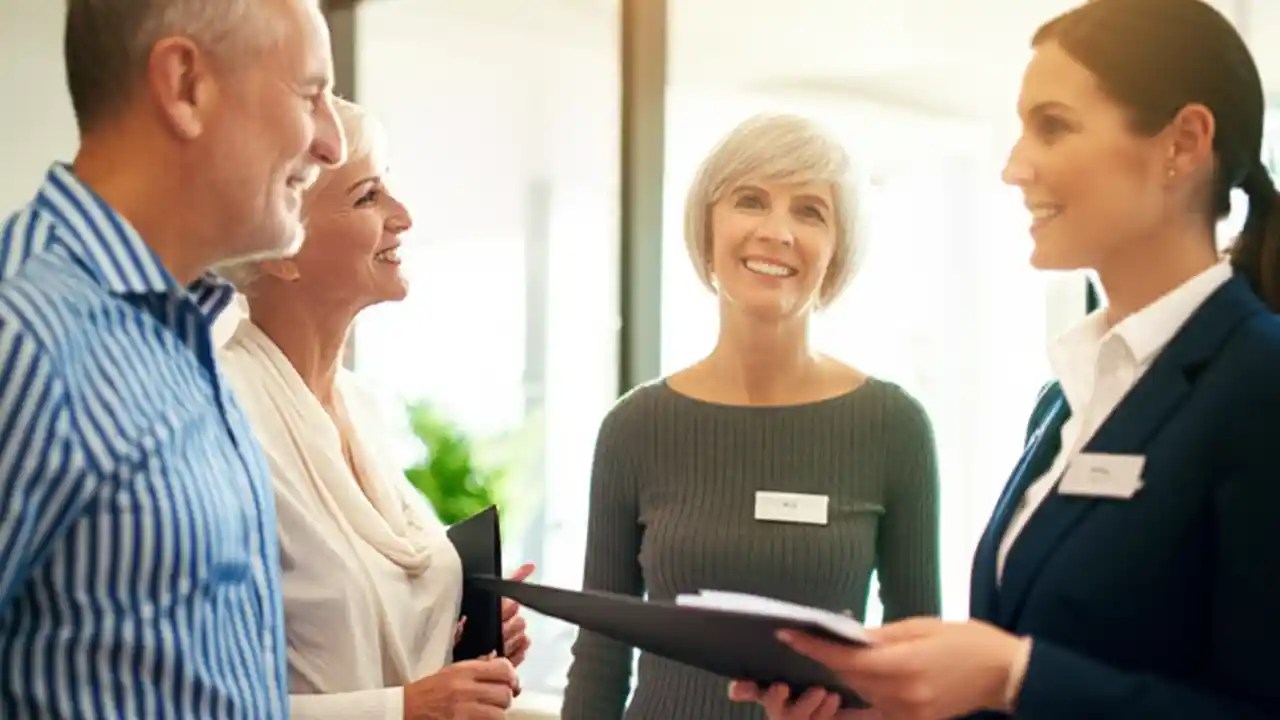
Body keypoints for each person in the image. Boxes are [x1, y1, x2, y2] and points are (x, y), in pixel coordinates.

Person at [730, 0, 1280, 718]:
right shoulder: (1064, 401)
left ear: (1183, 142)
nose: (1014, 167)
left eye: (1052, 126)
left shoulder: (1259, 380)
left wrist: (1012, 674)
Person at [0, 0, 344, 717]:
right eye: (311, 95)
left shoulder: (185, 334)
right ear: (185, 83)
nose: (331, 143)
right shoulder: (23, 335)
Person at [560, 113, 942, 719]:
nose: (777, 231)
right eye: (750, 200)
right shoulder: (636, 426)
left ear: (837, 248)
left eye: (810, 211)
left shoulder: (892, 425)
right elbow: (602, 654)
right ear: (707, 226)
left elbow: (917, 666)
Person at [215, 97, 532, 720]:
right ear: (280, 242)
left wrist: (465, 641)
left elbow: (378, 627)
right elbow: (183, 699)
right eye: (367, 198)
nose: (404, 216)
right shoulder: (220, 414)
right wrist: (404, 708)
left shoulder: (362, 406)